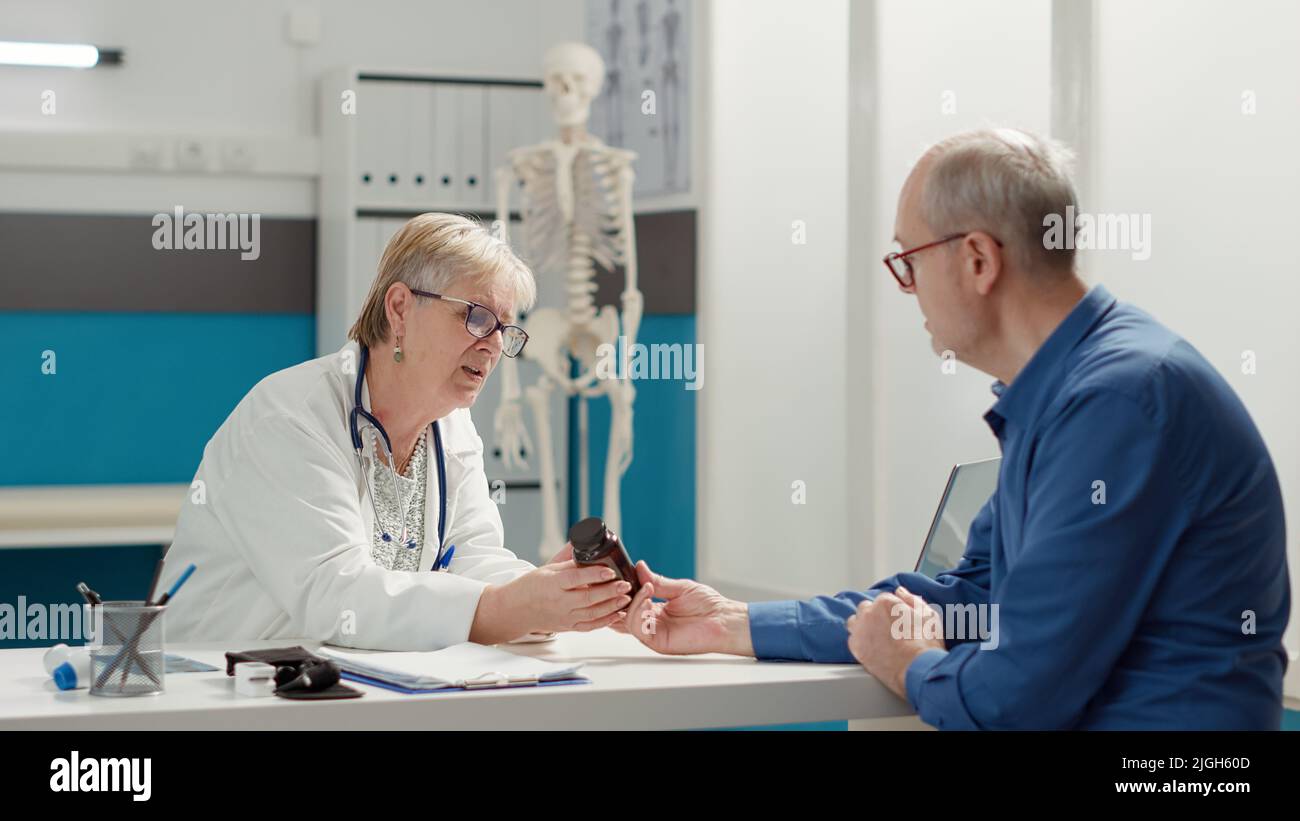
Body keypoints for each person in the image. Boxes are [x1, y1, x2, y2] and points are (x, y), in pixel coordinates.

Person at [616, 128, 1291, 730]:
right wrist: (733, 624)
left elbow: (1018, 697)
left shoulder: (1118, 401)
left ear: (977, 260)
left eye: (909, 261)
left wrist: (908, 662)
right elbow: (973, 597)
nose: (907, 289)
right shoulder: (1063, 394)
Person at [163, 213, 631, 650]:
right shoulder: (290, 416)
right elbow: (334, 595)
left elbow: (475, 561)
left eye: (504, 329)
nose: (492, 345)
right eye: (477, 316)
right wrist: (510, 607)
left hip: (349, 686)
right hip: (218, 691)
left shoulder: (451, 427)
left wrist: (554, 598)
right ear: (401, 308)